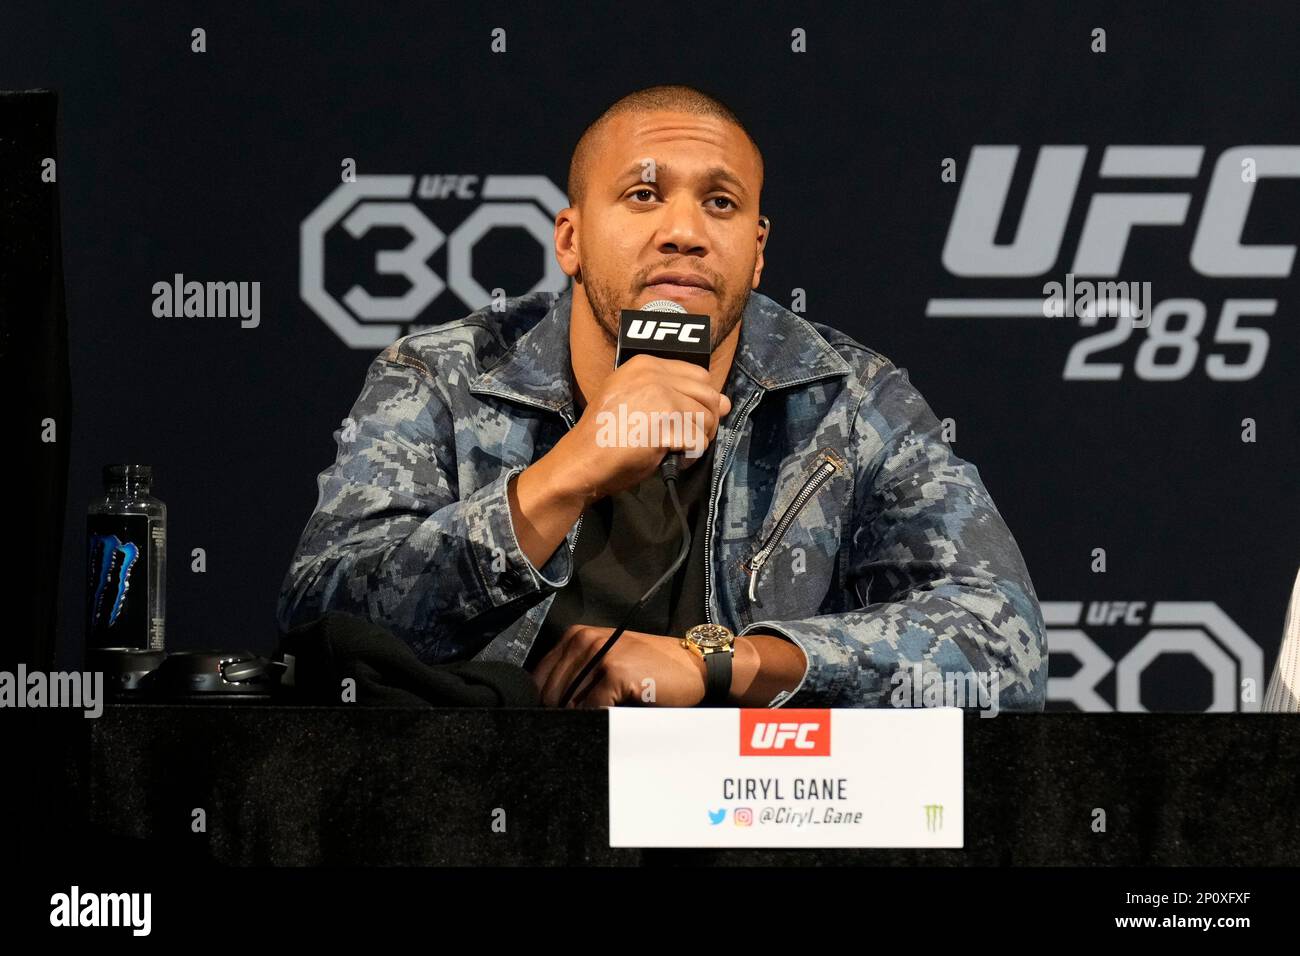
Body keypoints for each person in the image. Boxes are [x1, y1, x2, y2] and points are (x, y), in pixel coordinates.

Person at [277, 84, 1047, 710]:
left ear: (757, 251)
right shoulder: (443, 375)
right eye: (643, 195)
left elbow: (1003, 649)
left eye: (720, 203)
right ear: (570, 239)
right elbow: (322, 623)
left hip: (746, 831)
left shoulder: (852, 400)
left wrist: (719, 665)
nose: (684, 230)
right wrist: (568, 472)